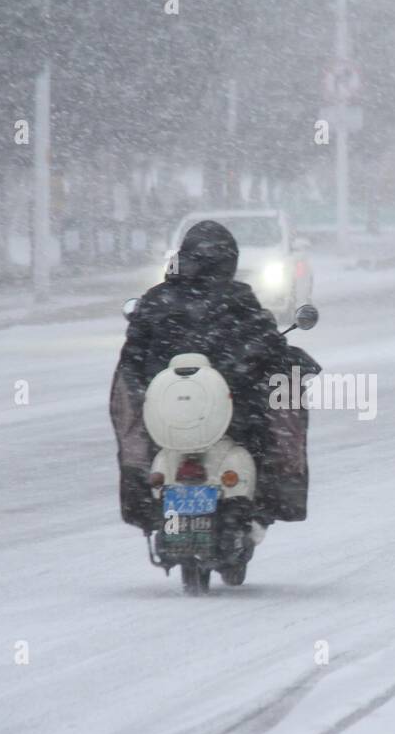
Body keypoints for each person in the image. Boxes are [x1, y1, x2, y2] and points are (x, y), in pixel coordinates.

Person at [111, 219, 312, 531]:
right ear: (229, 261)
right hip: (232, 413)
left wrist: (148, 385)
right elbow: (267, 346)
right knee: (266, 433)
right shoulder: (239, 299)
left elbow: (133, 357)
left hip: (164, 415)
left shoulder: (156, 300)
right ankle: (265, 502)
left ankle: (150, 503)